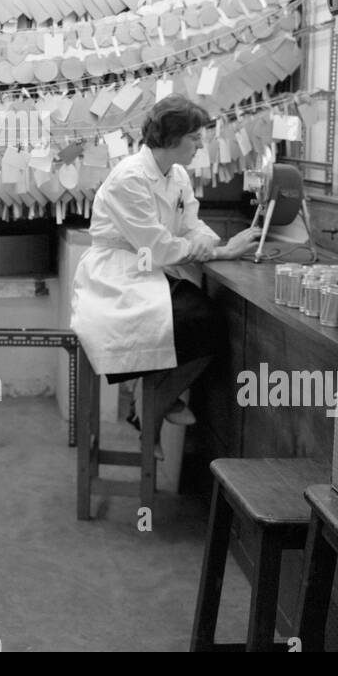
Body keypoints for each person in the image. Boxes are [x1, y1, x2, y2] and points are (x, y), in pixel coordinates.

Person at [70, 96, 261, 459]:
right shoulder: (129, 177)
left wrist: (206, 241)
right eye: (194, 138)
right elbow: (155, 248)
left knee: (207, 325)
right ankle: (153, 408)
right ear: (171, 138)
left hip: (152, 271)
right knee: (199, 321)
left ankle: (152, 407)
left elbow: (191, 225)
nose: (201, 145)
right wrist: (221, 251)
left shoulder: (177, 174)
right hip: (119, 274)